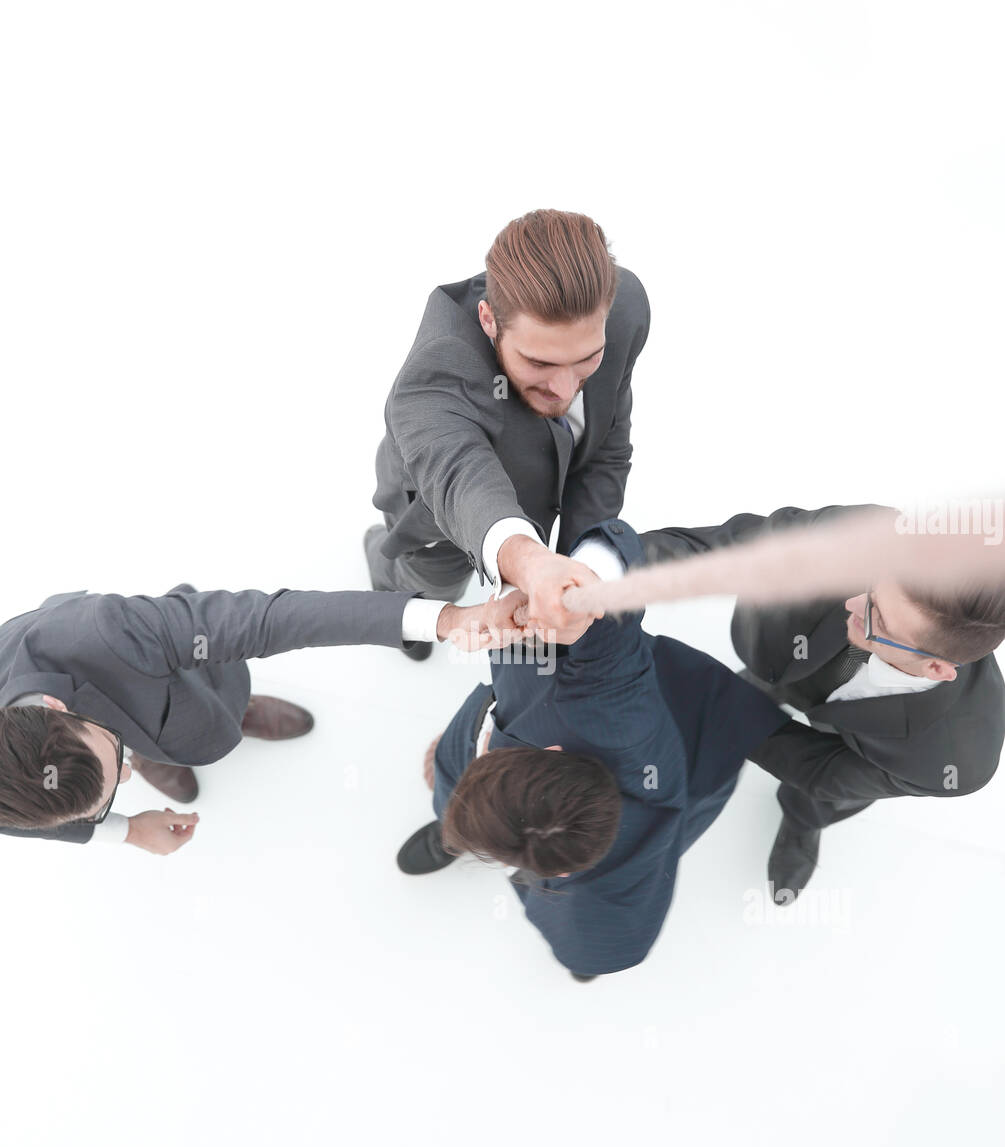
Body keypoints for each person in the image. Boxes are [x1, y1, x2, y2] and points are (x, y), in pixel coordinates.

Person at [396, 520, 788, 979]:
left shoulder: (612, 716)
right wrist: (543, 574)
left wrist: (586, 576)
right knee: (460, 799)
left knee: (589, 936)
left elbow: (608, 632)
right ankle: (461, 827)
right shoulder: (545, 666)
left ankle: (486, 830)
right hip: (524, 731)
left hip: (672, 756)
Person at [638, 505, 1005, 899]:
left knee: (820, 796)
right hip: (783, 659)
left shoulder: (957, 760)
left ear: (935, 668)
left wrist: (722, 708)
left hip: (854, 743)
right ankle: (762, 691)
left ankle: (801, 823)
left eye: (876, 618)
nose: (852, 603)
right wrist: (611, 568)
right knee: (757, 689)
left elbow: (824, 771)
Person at [0, 582, 517, 854]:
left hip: (142, 661)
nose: (129, 780)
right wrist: (124, 830)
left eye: (118, 757)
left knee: (210, 699)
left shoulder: (104, 632)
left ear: (56, 708)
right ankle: (148, 749)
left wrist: (445, 620)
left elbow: (269, 621)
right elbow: (29, 822)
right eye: (114, 789)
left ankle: (236, 710)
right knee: (148, 750)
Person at [365, 208, 651, 658]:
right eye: (539, 363)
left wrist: (579, 567)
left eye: (587, 359)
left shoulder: (625, 308)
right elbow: (461, 477)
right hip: (439, 515)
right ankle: (385, 567)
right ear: (488, 319)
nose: (565, 388)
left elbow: (604, 448)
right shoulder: (435, 372)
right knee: (433, 586)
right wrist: (531, 562)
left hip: (531, 489)